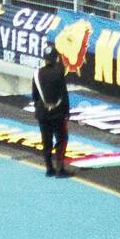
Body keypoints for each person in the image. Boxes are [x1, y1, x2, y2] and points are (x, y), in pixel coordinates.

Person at [33, 47, 72, 178]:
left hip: (42, 113)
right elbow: (63, 93)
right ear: (56, 58)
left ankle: (49, 168)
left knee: (46, 140)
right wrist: (67, 112)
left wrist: (38, 108)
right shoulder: (59, 72)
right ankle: (60, 168)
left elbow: (35, 95)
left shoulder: (37, 74)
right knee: (61, 139)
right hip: (58, 112)